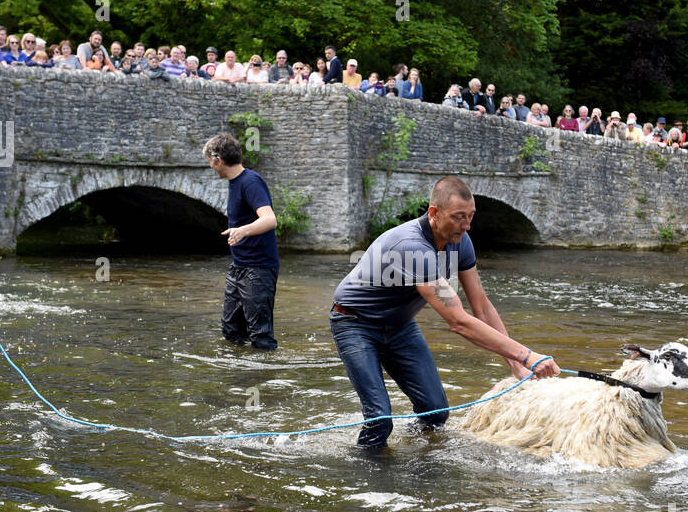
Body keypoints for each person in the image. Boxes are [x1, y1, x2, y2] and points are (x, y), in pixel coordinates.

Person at [330, 176, 560, 450]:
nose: (466, 226)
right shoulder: (411, 247)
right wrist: (527, 355)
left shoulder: (461, 241)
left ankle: (416, 456)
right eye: (458, 217)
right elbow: (459, 321)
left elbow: (482, 307)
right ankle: (368, 479)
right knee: (380, 419)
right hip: (355, 324)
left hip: (400, 326)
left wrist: (516, 365)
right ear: (433, 214)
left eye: (471, 216)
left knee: (435, 412)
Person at [205, 133, 279, 351]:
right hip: (239, 267)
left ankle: (265, 379)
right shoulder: (234, 182)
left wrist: (243, 231)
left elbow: (270, 219)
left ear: (217, 159)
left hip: (259, 268)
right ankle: (241, 376)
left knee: (261, 335)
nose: (211, 167)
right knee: (231, 330)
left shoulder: (250, 182)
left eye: (210, 162)